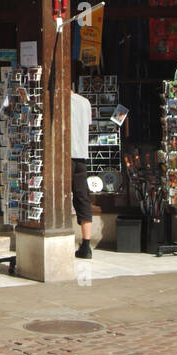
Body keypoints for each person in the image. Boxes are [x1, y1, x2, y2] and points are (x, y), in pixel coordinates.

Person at [71, 87, 93, 258]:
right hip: (81, 156)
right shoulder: (85, 102)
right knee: (82, 198)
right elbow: (87, 125)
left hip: (64, 156)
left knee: (61, 196)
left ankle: (63, 237)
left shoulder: (59, 103)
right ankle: (86, 244)